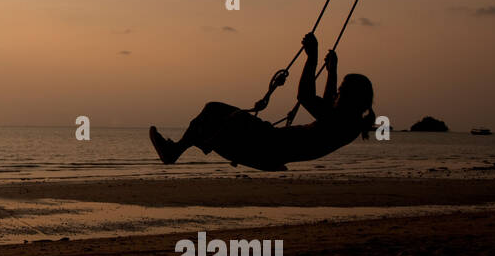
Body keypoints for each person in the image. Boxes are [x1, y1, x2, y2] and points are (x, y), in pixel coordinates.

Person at [149, 33, 374, 171]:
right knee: (214, 118)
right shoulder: (348, 122)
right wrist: (332, 72)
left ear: (353, 99)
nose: (336, 94)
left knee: (213, 112)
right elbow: (326, 104)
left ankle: (176, 151)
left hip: (265, 146)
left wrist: (312, 57)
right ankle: (184, 148)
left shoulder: (342, 121)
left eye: (341, 92)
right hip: (268, 144)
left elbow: (306, 97)